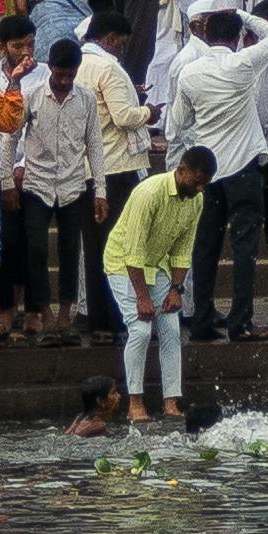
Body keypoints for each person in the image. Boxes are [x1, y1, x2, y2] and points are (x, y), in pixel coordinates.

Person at [101, 141, 207, 425]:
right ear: (181, 170)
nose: (199, 189)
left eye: (204, 185)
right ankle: (135, 403)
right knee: (140, 328)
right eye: (196, 182)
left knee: (172, 326)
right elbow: (133, 252)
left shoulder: (196, 198)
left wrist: (176, 289)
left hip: (157, 265)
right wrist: (142, 297)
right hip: (123, 262)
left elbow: (184, 249)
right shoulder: (149, 192)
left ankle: (170, 401)